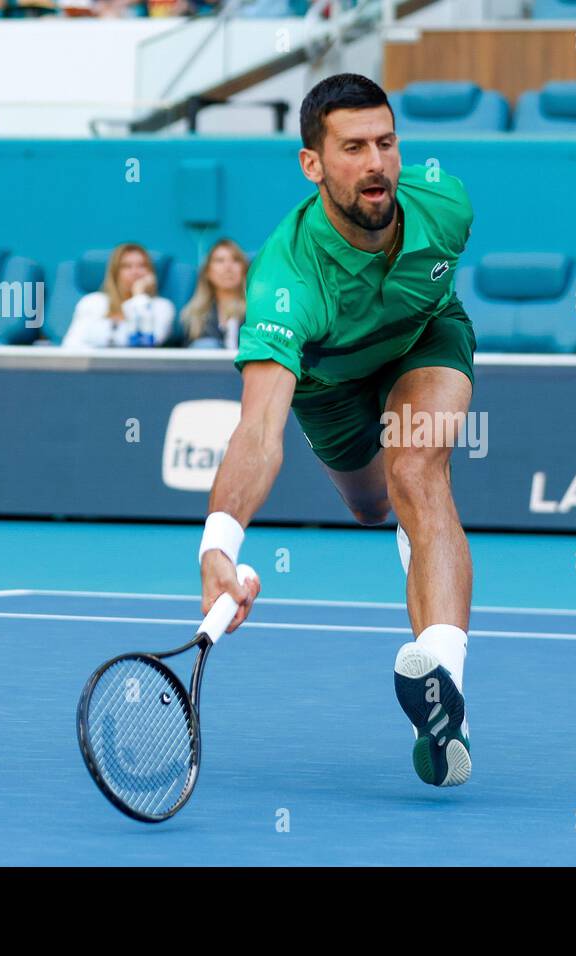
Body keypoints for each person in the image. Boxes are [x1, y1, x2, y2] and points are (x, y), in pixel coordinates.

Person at [198, 73, 476, 788]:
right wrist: (219, 545)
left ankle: (444, 684)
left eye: (386, 142)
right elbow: (260, 428)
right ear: (313, 164)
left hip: (422, 342)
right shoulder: (284, 280)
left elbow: (438, 284)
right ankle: (406, 533)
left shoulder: (445, 207)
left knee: (418, 468)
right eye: (353, 148)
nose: (377, 163)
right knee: (374, 502)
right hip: (330, 386)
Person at [62, 243, 175, 348]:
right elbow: (71, 344)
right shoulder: (93, 302)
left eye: (142, 266)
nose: (135, 272)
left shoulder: (162, 307)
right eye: (126, 266)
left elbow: (145, 343)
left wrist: (139, 295)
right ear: (115, 273)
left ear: (151, 272)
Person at [181, 239, 248, 349]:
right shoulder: (193, 315)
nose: (228, 267)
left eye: (236, 260)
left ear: (244, 269)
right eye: (220, 260)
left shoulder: (257, 314)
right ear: (207, 272)